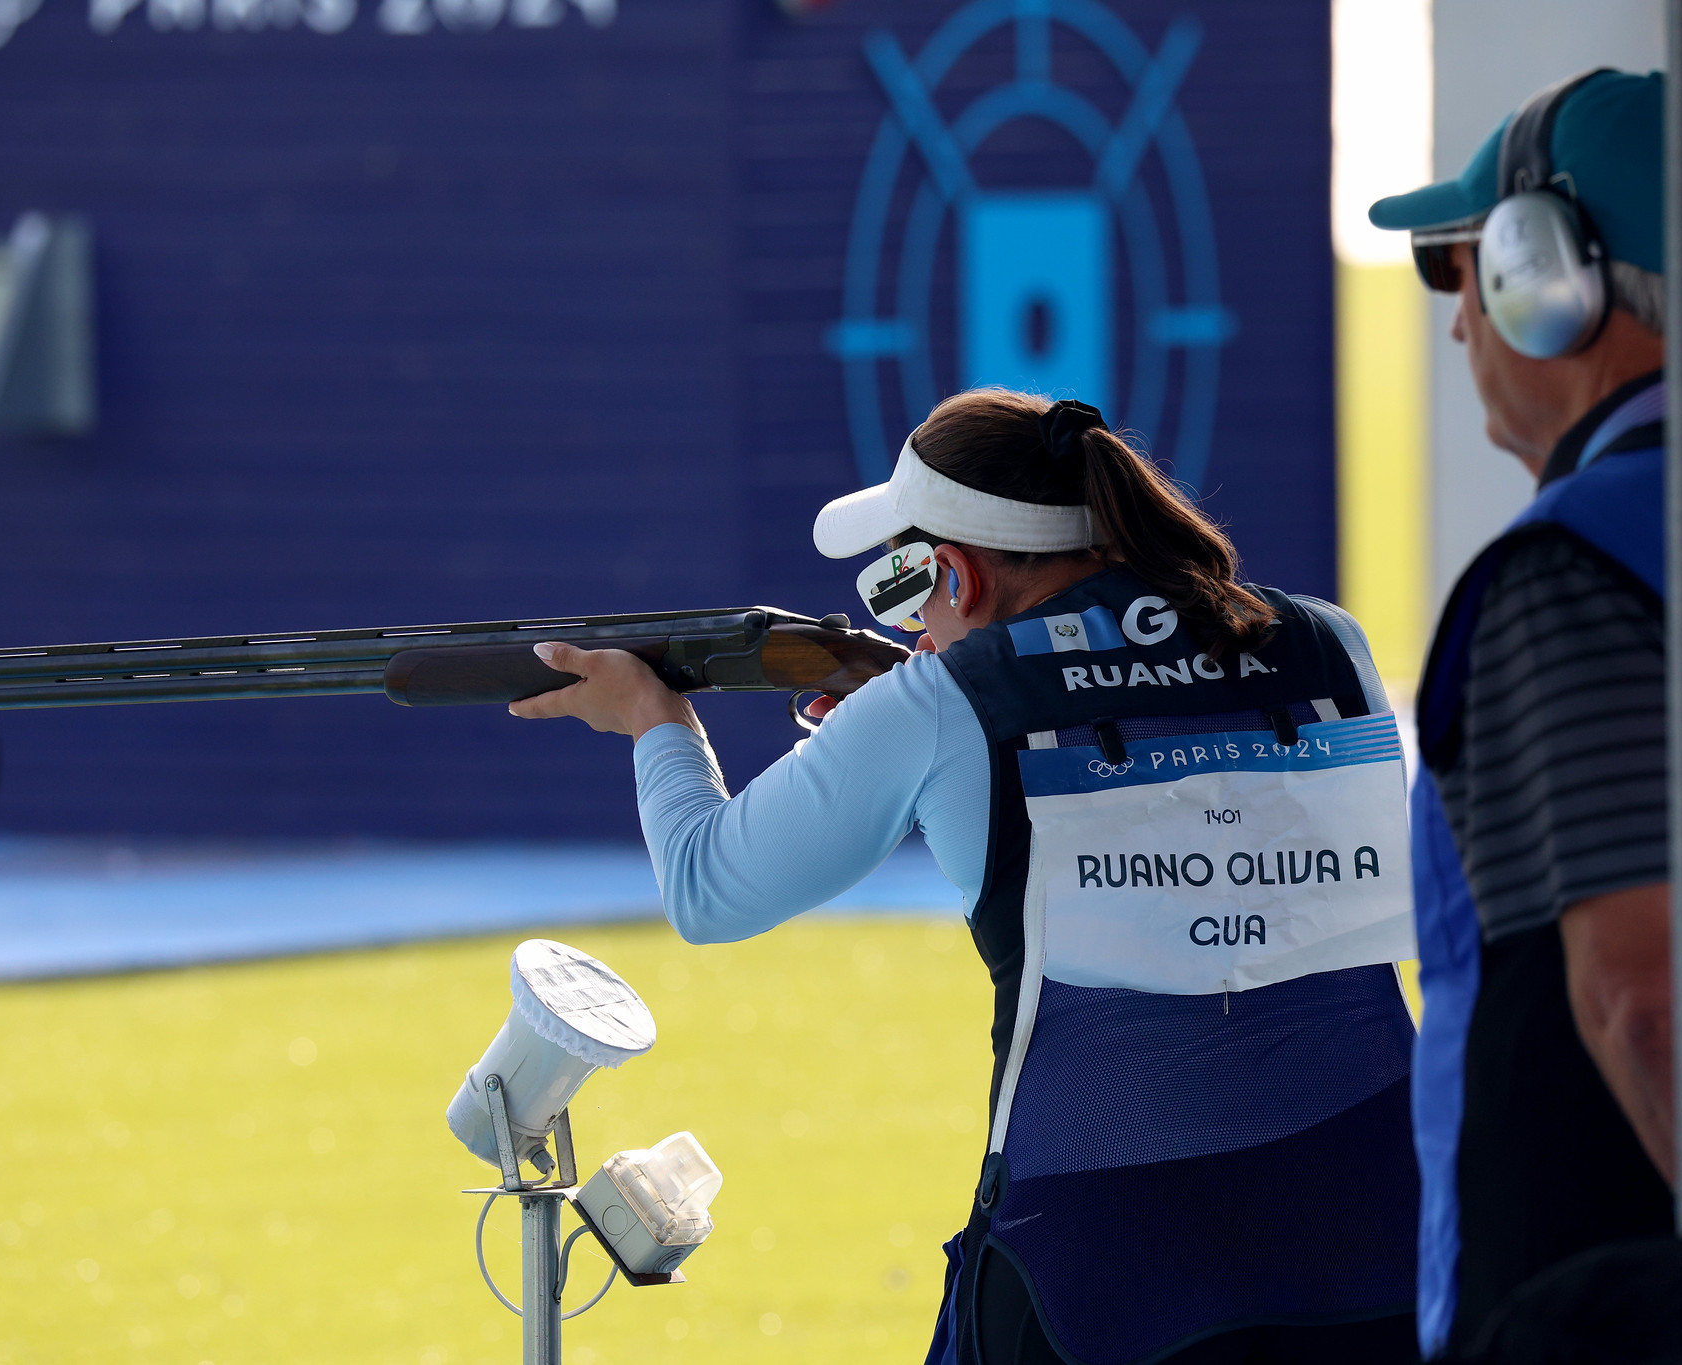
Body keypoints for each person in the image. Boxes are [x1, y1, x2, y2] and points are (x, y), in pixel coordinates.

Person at [511, 388, 1424, 1363]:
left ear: (959, 573)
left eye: (907, 585)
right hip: (1377, 1233)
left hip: (1096, 1277)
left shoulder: (944, 701)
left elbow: (705, 889)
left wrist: (655, 723)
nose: (908, 626)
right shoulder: (1330, 642)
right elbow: (1201, 802)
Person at [1367, 69, 1673, 1359]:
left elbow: (1639, 997)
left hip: (1608, 1303)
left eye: (1465, 276)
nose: (1456, 330)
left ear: (1546, 277)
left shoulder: (1565, 567)